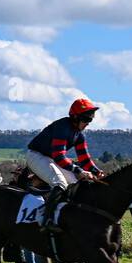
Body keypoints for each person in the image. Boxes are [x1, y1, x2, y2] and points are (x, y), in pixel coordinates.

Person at [26, 96, 103, 233]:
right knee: (60, 182)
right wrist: (79, 170)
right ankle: (46, 219)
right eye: (86, 119)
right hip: (36, 155)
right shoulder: (63, 127)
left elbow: (85, 159)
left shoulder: (79, 135)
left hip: (51, 158)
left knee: (75, 184)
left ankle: (68, 217)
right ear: (75, 117)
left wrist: (97, 171)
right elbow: (59, 156)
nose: (88, 123)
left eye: (90, 120)